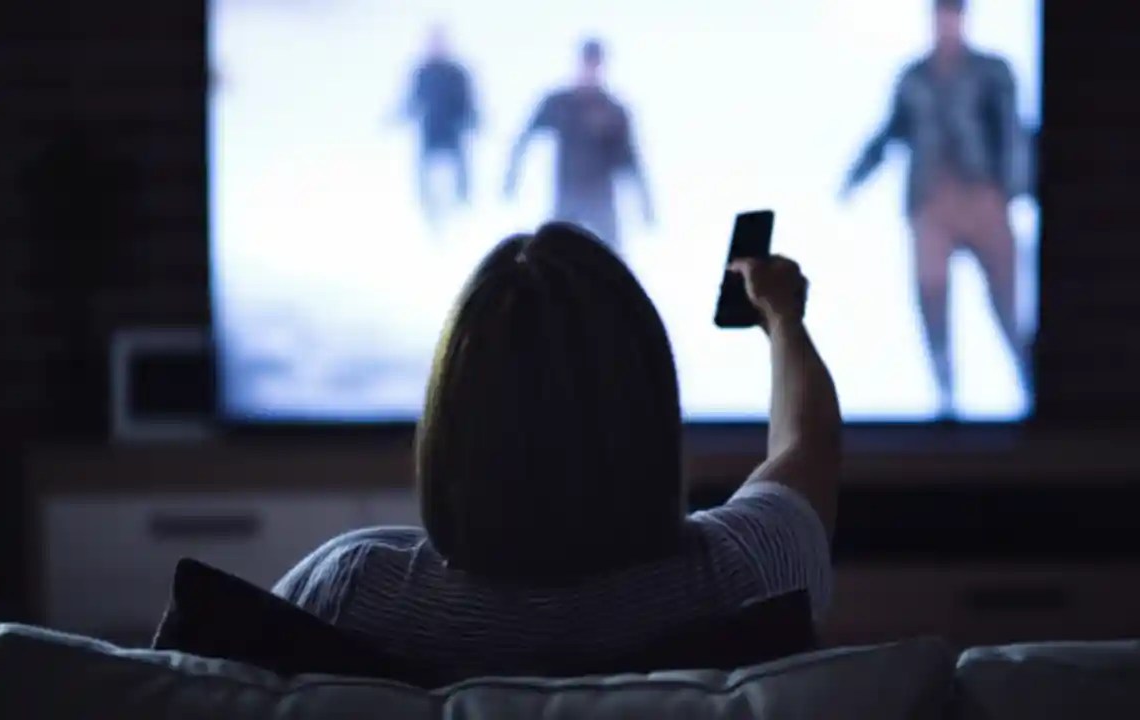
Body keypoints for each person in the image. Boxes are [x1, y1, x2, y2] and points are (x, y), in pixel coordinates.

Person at [274, 222, 841, 679]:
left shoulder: (347, 587)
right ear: (649, 415)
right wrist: (781, 318)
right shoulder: (750, 570)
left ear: (450, 426)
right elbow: (805, 444)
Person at [840, 0, 1031, 417]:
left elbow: (1013, 133)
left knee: (1008, 306)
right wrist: (856, 176)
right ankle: (946, 397)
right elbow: (891, 132)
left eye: (954, 15)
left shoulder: (992, 72)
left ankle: (1034, 384)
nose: (947, 23)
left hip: (983, 196)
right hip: (931, 201)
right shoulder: (913, 78)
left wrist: (1014, 191)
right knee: (931, 295)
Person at [504, 40, 653, 251]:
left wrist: (646, 205)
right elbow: (526, 137)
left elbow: (631, 161)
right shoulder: (560, 103)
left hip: (601, 197)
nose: (590, 71)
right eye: (587, 64)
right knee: (554, 254)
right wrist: (511, 177)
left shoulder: (612, 111)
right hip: (567, 195)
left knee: (611, 257)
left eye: (595, 65)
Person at [403, 26, 477, 228]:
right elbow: (411, 101)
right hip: (429, 136)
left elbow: (469, 102)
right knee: (427, 184)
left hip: (453, 136)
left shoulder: (457, 73)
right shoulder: (422, 73)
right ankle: (431, 219)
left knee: (458, 181)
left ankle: (461, 215)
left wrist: (473, 119)